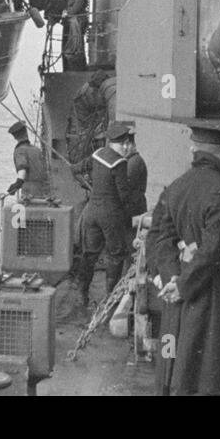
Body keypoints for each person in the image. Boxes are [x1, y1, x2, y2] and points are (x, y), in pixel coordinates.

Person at [146, 120, 220, 396]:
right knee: (215, 368)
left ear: (193, 149)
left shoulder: (175, 187)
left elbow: (161, 238)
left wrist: (172, 279)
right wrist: (183, 285)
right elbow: (212, 250)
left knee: (176, 352)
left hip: (179, 291)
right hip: (218, 291)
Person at [77, 120, 134, 309]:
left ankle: (82, 296)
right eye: (124, 143)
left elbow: (76, 169)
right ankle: (110, 298)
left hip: (91, 212)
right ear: (118, 143)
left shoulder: (97, 154)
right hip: (110, 215)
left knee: (89, 254)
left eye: (127, 143)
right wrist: (129, 214)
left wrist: (86, 183)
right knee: (116, 254)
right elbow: (123, 194)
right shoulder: (119, 163)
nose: (126, 147)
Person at [5, 120, 50, 199]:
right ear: (26, 133)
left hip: (29, 191)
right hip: (42, 189)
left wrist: (18, 183)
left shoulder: (20, 150)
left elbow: (22, 167)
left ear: (15, 137)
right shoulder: (36, 150)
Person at [117, 122, 149, 222]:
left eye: (128, 144)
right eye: (123, 145)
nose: (125, 148)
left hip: (133, 210)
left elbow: (123, 185)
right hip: (131, 208)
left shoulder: (134, 162)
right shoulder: (130, 160)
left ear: (133, 145)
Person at [62, 0, 89, 71]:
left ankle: (78, 68)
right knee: (75, 44)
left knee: (76, 45)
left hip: (78, 19)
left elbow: (78, 4)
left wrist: (68, 13)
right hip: (74, 18)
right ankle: (75, 68)